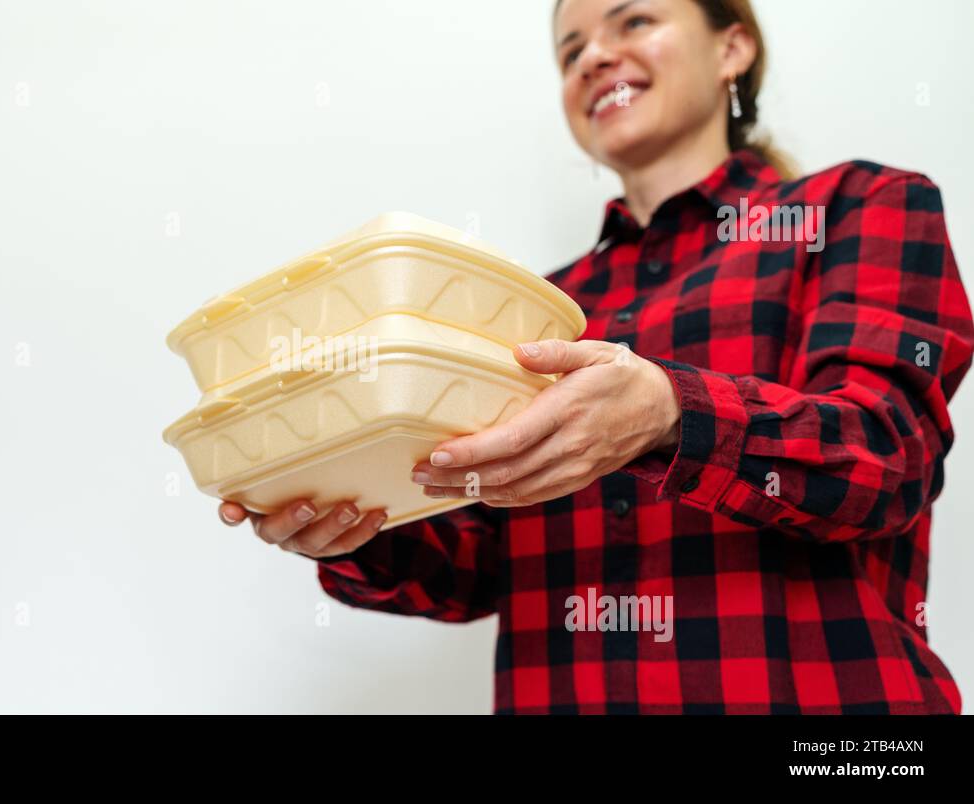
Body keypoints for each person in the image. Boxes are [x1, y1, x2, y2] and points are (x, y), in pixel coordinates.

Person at [218, 0, 974, 713]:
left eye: (633, 20)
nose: (594, 58)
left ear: (732, 47)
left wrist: (671, 415)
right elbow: (478, 568)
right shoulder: (533, 308)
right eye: (570, 50)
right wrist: (354, 521)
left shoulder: (861, 206)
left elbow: (887, 456)